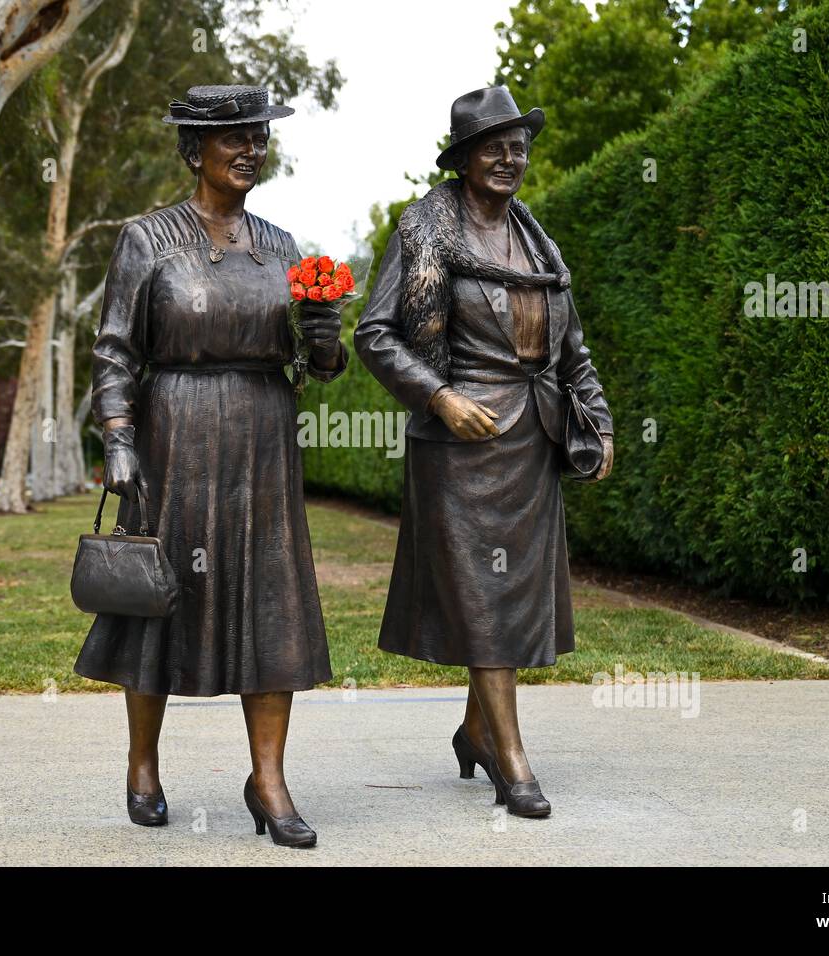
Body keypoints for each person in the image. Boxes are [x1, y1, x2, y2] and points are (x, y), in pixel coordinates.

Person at [73, 85, 347, 848]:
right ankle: (142, 765)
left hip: (262, 440)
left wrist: (324, 335)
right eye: (233, 138)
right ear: (195, 150)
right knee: (155, 599)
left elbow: (316, 366)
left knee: (273, 601)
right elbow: (114, 348)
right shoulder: (147, 238)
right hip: (174, 434)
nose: (250, 149)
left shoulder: (282, 246)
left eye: (258, 136)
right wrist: (120, 438)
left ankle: (268, 780)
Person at [353, 86, 614, 818]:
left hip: (531, 440)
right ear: (464, 158)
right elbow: (374, 334)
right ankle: (511, 759)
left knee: (511, 598)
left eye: (518, 146)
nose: (509, 158)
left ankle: (475, 729)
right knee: (485, 597)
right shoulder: (426, 230)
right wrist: (438, 396)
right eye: (493, 147)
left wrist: (599, 421)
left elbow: (574, 353)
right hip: (460, 442)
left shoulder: (539, 244)